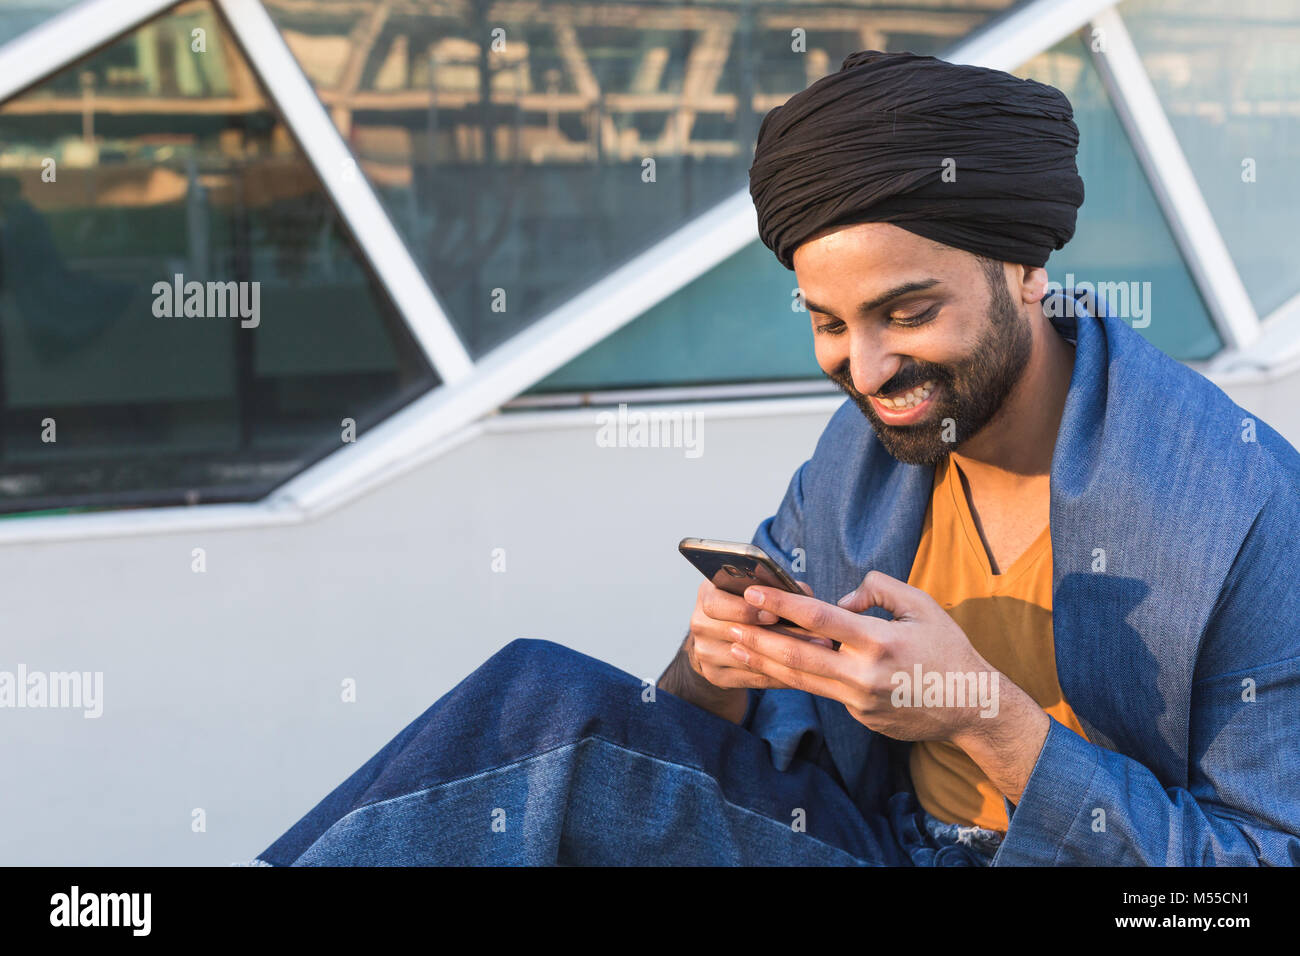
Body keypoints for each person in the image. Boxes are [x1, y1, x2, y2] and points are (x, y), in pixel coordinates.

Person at [252, 51, 1300, 866]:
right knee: (544, 702)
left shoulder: (1243, 500)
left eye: (907, 310)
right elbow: (742, 727)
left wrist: (985, 713)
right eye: (828, 321)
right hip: (873, 839)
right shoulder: (865, 454)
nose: (866, 365)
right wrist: (710, 670)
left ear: (1026, 268)